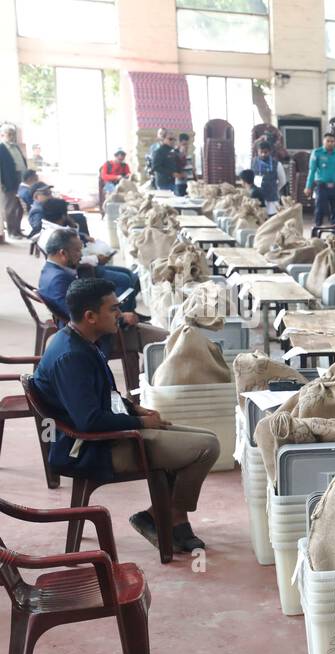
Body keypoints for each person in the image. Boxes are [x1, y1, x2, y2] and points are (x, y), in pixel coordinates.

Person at [31, 278, 219, 553]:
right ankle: (172, 517)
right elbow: (89, 421)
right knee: (206, 448)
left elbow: (102, 394)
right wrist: (140, 423)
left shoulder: (80, 340)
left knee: (208, 438)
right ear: (90, 316)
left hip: (108, 435)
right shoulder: (72, 357)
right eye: (114, 309)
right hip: (91, 448)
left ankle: (157, 515)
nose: (120, 314)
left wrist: (134, 408)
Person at [39, 230, 167, 388]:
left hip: (99, 327)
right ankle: (147, 391)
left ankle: (143, 388)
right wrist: (120, 318)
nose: (81, 254)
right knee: (166, 342)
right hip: (101, 334)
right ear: (63, 253)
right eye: (78, 250)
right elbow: (77, 317)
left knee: (160, 340)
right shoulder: (58, 280)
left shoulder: (52, 271)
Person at [305, 132, 335, 228]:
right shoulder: (317, 153)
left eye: (332, 141)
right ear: (323, 141)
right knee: (320, 210)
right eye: (328, 141)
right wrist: (308, 186)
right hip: (321, 186)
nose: (330, 143)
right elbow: (312, 171)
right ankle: (316, 232)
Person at [1, 123, 29, 242]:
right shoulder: (1, 147)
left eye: (12, 134)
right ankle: (12, 232)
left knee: (20, 207)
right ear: (3, 134)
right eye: (9, 133)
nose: (11, 136)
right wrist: (2, 183)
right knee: (10, 208)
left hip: (21, 179)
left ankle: (17, 229)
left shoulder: (16, 146)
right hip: (9, 181)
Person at [250, 139, 281, 212]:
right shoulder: (253, 162)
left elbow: (282, 181)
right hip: (257, 198)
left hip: (271, 198)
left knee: (272, 218)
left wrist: (275, 188)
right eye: (261, 152)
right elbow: (250, 177)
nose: (263, 154)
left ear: (270, 152)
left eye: (266, 152)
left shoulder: (276, 164)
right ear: (258, 151)